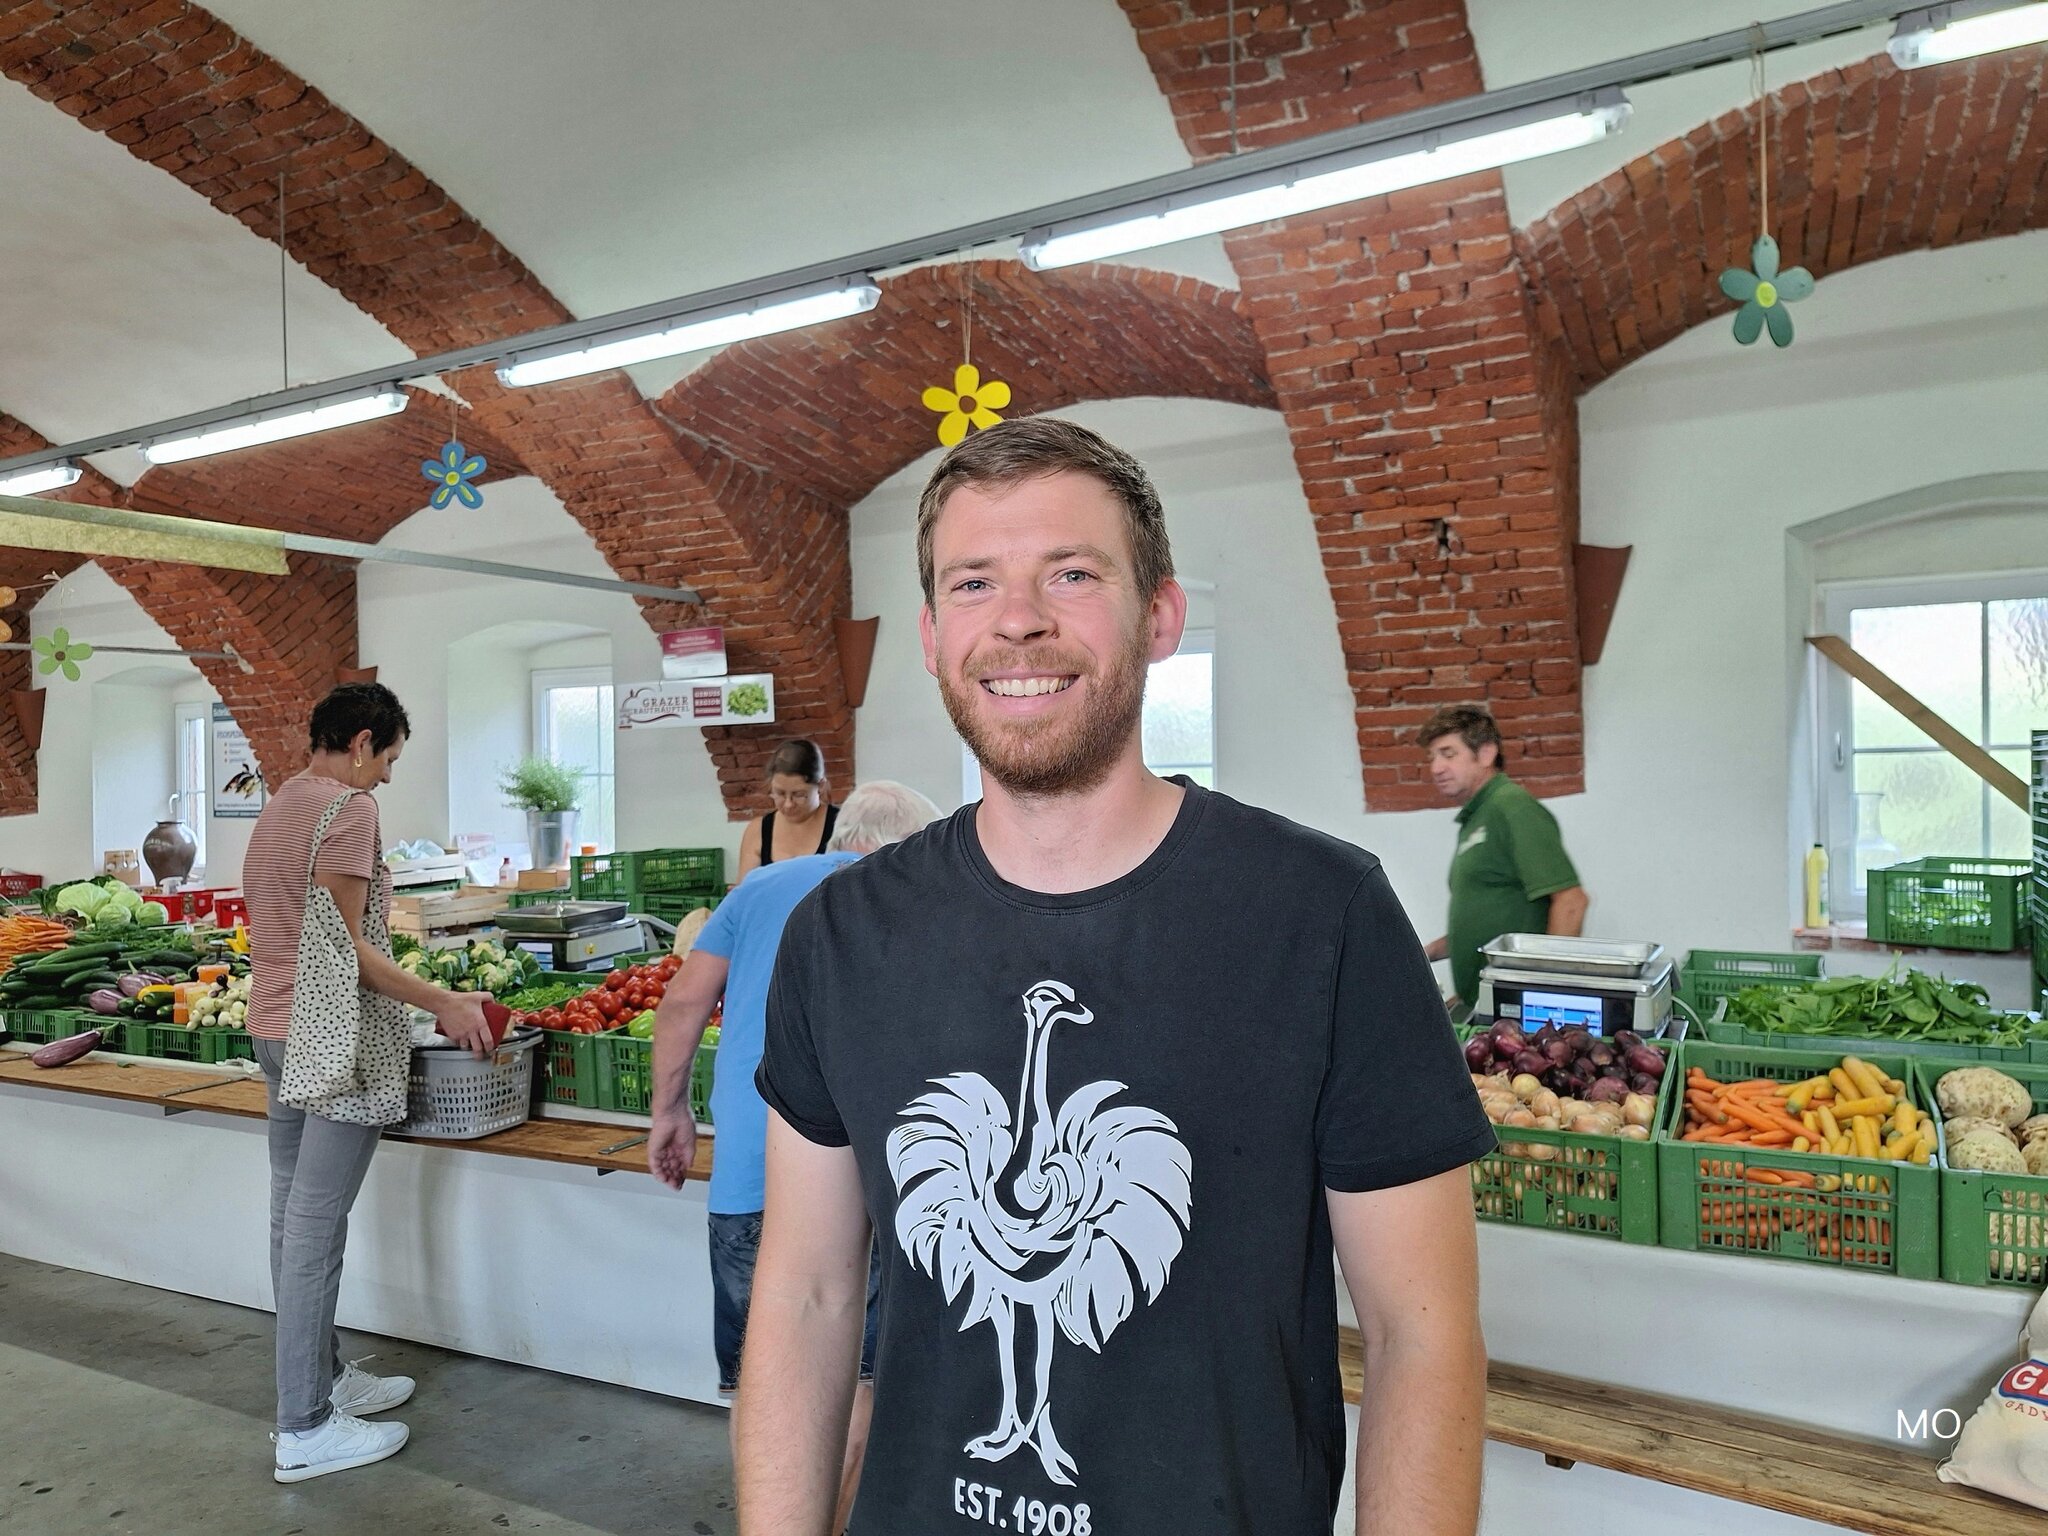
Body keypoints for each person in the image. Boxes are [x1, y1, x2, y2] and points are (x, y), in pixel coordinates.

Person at [739, 418, 1493, 1536]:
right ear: (933, 636)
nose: (1018, 620)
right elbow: (803, 1299)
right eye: (974, 582)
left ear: (1159, 617)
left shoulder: (1320, 915)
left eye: (1072, 574)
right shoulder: (841, 933)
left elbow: (1418, 1333)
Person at [649, 779, 943, 1532]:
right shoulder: (907, 890)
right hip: (851, 1186)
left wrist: (669, 1113)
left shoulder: (758, 888)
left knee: (765, 1380)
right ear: (899, 844)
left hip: (745, 1173)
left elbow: (683, 1003)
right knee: (858, 1382)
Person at [243, 682, 494, 1483]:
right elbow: (349, 954)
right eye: (387, 757)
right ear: (361, 742)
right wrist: (444, 1001)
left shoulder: (283, 802)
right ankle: (305, 1427)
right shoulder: (348, 812)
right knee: (315, 1227)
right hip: (332, 1036)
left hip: (274, 1029)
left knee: (291, 1216)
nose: (386, 776)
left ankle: (321, 1377)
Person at [1418, 705, 1590, 1009]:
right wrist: (1427, 954)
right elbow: (1487, 919)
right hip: (1485, 1005)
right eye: (1432, 757)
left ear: (1485, 754)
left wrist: (1543, 996)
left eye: (1448, 753)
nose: (1436, 768)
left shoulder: (1511, 806)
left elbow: (1571, 902)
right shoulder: (1476, 817)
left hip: (1517, 1010)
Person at [735, 739, 838, 880]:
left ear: (820, 786)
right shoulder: (758, 830)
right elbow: (745, 894)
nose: (788, 804)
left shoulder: (842, 826)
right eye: (780, 793)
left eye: (799, 795)